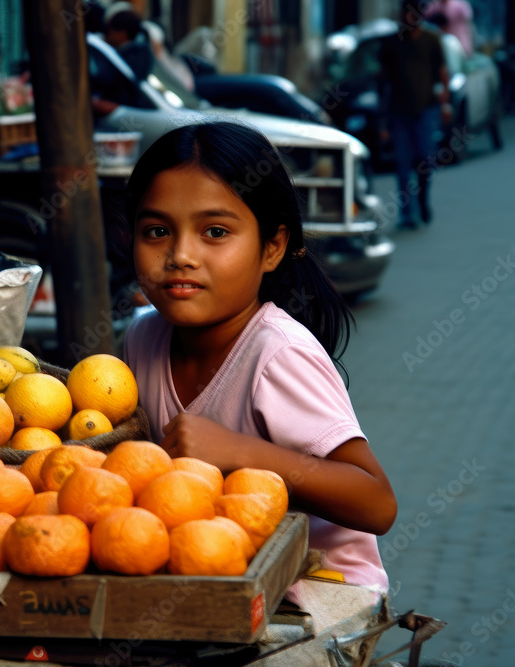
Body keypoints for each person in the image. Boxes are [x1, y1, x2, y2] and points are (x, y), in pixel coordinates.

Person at [122, 121, 397, 605]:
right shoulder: (142, 339)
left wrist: (236, 450)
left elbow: (376, 502)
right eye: (157, 231)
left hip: (320, 595)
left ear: (271, 247)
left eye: (215, 232)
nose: (181, 255)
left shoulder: (276, 354)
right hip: (216, 574)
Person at [378, 1, 452, 228]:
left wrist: (445, 103)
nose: (410, 18)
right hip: (399, 113)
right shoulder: (391, 44)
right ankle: (407, 213)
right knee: (402, 164)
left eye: (414, 13)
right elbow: (383, 83)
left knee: (425, 159)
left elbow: (442, 72)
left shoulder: (432, 40)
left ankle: (423, 201)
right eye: (406, 13)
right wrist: (382, 123)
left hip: (427, 110)